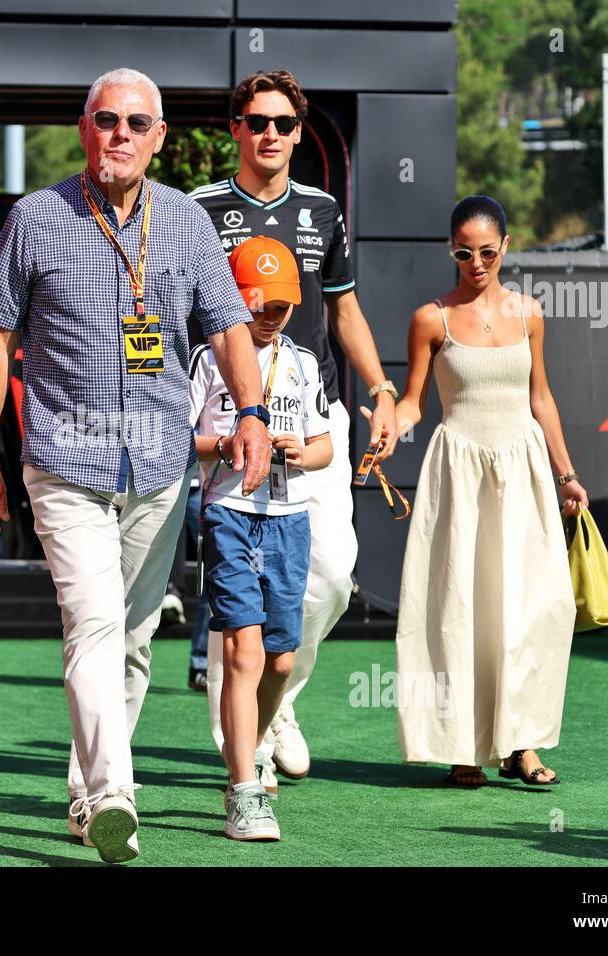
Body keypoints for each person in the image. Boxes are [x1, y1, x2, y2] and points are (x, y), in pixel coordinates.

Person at [0, 67, 271, 864]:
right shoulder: (36, 218)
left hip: (159, 463)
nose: (120, 135)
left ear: (159, 137)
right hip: (65, 459)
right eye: (106, 120)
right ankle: (112, 796)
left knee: (133, 640)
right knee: (94, 623)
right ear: (84, 129)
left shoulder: (188, 223)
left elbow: (229, 326)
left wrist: (252, 413)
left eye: (137, 123)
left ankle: (85, 792)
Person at [187, 69, 398, 791]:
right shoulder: (200, 208)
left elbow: (345, 310)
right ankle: (239, 748)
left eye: (282, 123)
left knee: (332, 576)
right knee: (236, 589)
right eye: (256, 122)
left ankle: (279, 705)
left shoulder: (322, 209)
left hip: (314, 418)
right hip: (230, 418)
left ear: (300, 132)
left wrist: (382, 389)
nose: (269, 134)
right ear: (236, 130)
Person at [391, 195, 586, 788]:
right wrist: (389, 426)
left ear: (505, 246)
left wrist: (566, 474)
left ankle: (521, 744)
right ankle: (463, 748)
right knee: (461, 609)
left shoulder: (530, 314)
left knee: (532, 608)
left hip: (523, 471)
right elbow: (413, 402)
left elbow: (541, 398)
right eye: (463, 253)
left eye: (486, 252)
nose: (475, 264)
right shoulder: (431, 319)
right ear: (450, 251)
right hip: (459, 473)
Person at [191, 236, 332, 840]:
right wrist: (226, 444)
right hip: (228, 512)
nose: (273, 315)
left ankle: (252, 750)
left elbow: (325, 445)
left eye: (283, 304)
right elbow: (180, 439)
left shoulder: (303, 361)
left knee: (281, 658)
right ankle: (244, 788)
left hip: (289, 517)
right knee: (242, 654)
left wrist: (302, 452)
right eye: (261, 304)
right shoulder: (209, 357)